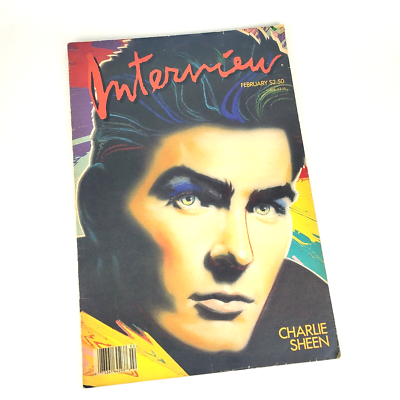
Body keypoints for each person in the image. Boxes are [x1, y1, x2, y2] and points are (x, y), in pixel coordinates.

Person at [77, 29, 339, 376]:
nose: (240, 253)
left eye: (266, 207)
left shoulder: (313, 313)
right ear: (99, 207)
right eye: (191, 199)